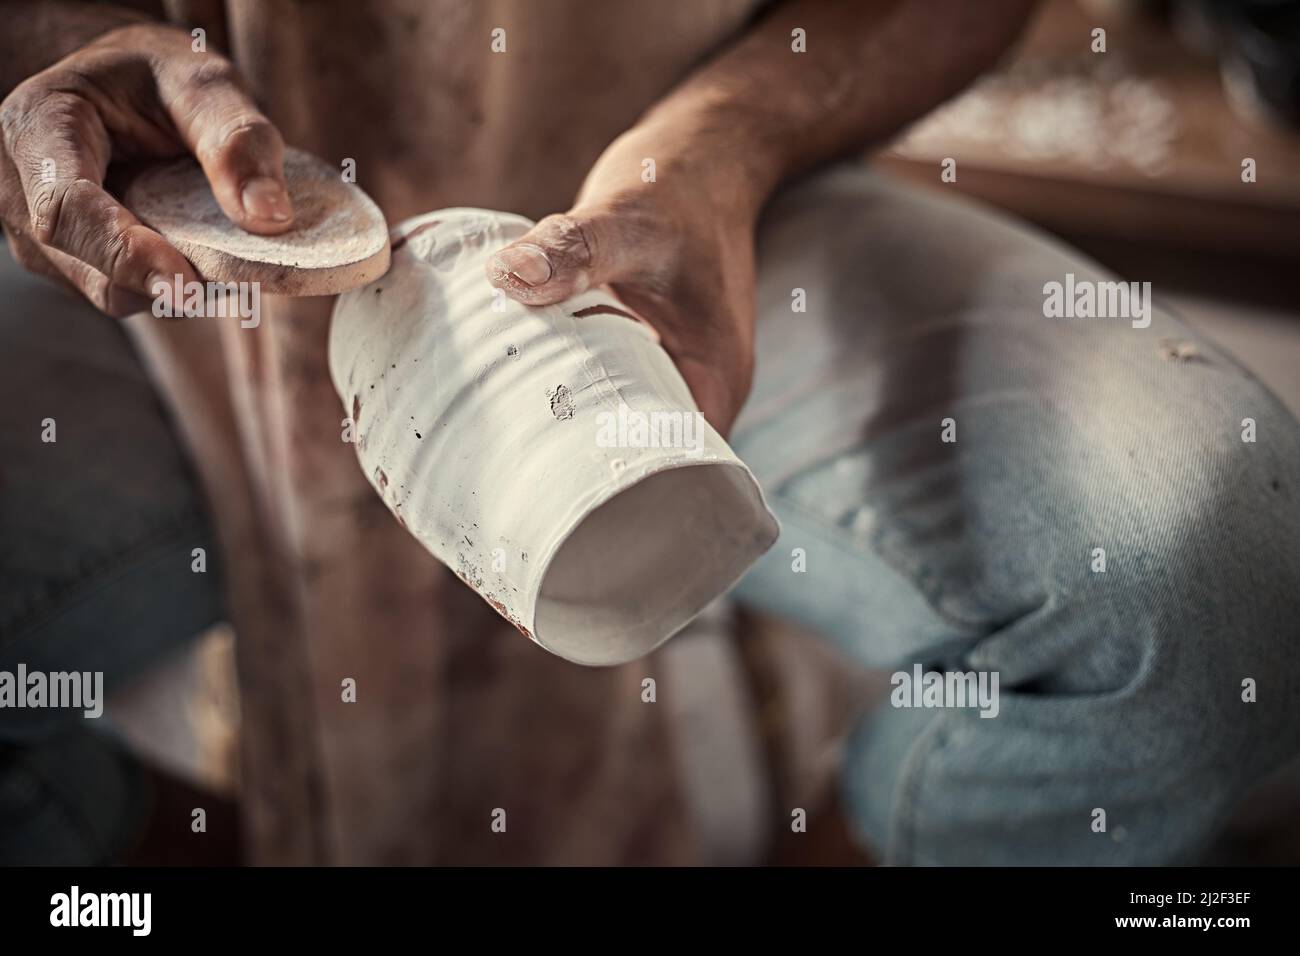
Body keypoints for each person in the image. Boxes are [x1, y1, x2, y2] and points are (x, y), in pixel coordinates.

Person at [1, 0, 1297, 865]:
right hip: (189, 271)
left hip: (690, 206)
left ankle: (879, 842)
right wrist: (54, 46)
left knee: (1217, 580)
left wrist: (719, 147)